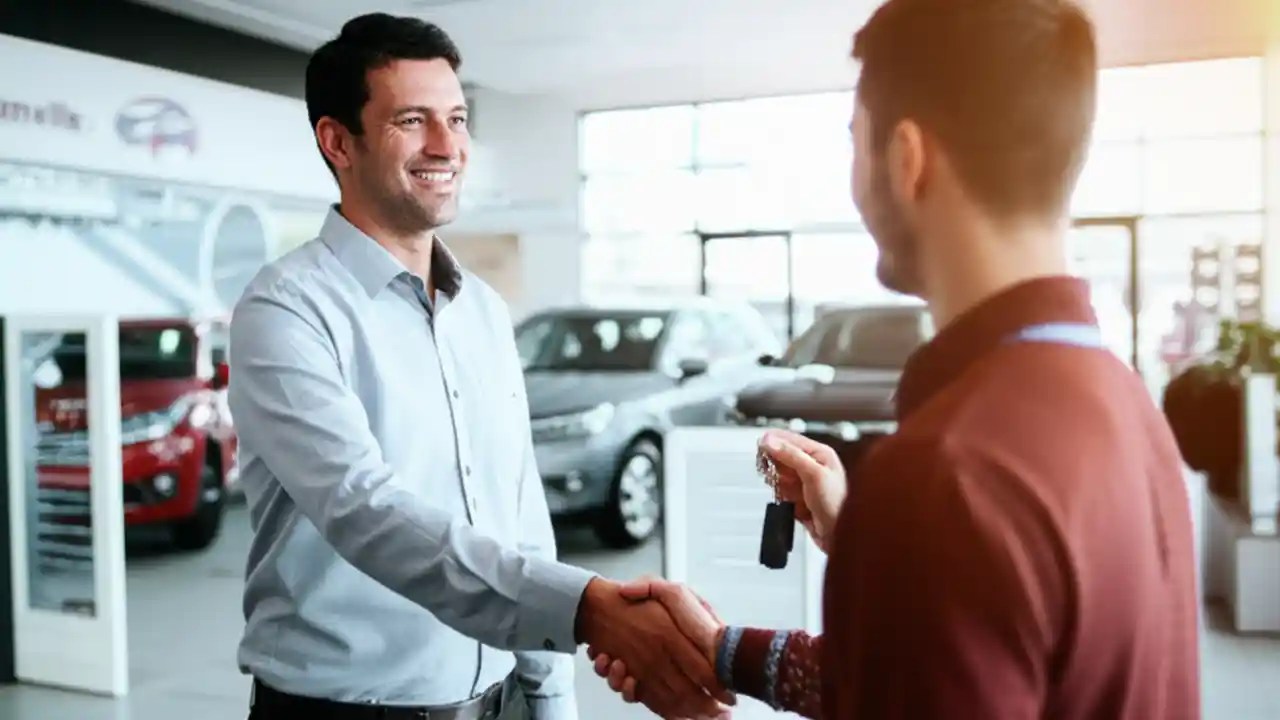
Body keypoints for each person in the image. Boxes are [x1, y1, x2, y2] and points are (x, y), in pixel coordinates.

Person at [591, 0, 1202, 718]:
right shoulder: (1126, 403)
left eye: (857, 142)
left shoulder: (948, 473)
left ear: (908, 159)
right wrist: (728, 649)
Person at [228, 13, 732, 720]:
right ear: (339, 141)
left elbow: (518, 515)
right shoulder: (284, 311)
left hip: (501, 705)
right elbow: (363, 509)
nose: (448, 146)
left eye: (457, 118)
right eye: (413, 120)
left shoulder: (485, 313)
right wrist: (589, 610)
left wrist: (551, 699)